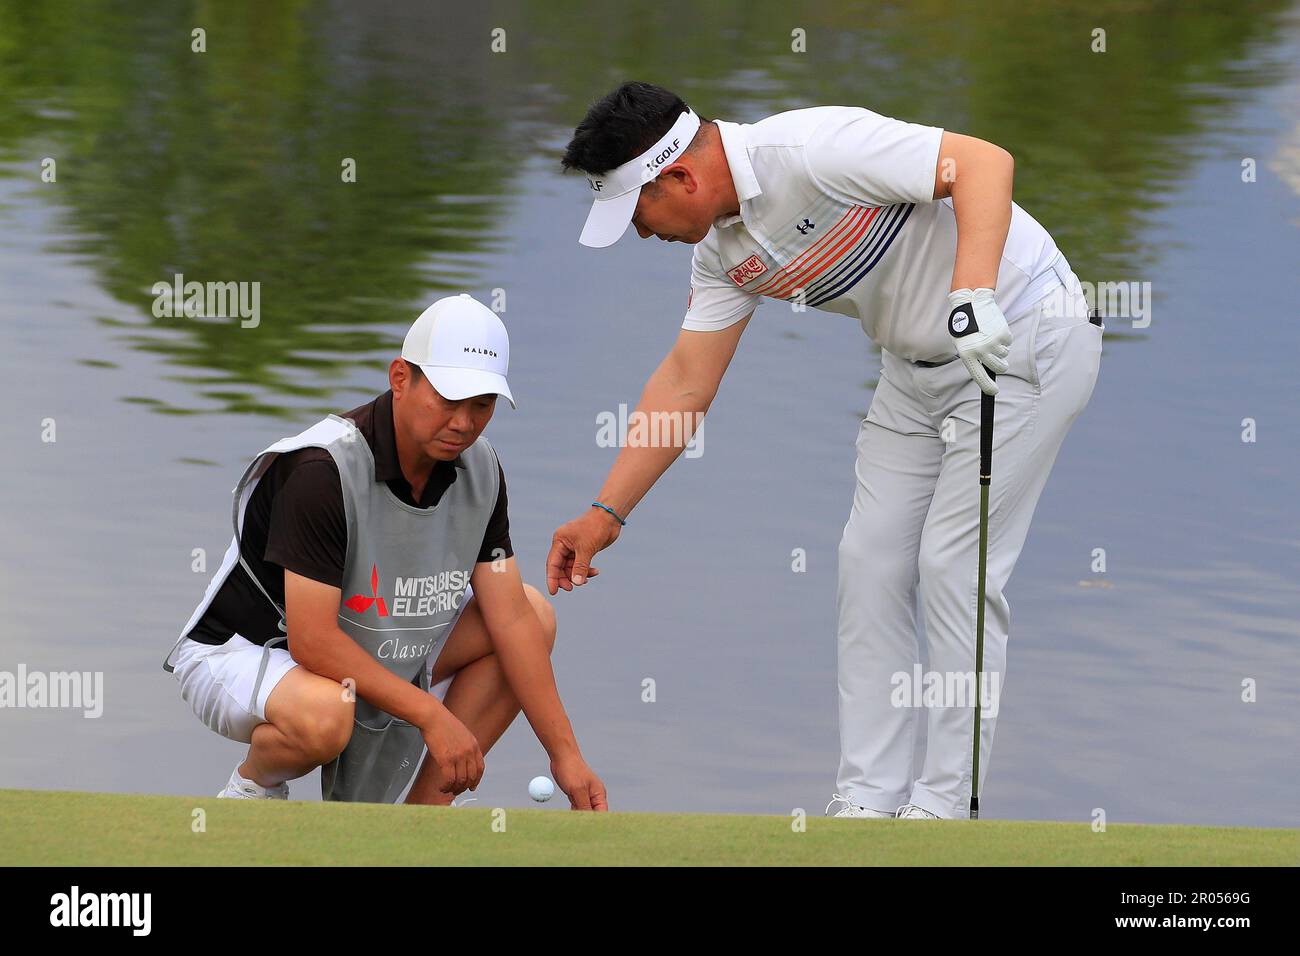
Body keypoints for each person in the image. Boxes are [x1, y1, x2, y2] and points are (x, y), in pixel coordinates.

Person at [549, 81, 1101, 819]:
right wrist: (605, 510)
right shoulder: (721, 253)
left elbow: (982, 163)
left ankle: (943, 809)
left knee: (951, 567)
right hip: (912, 369)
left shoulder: (812, 150)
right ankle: (867, 803)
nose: (642, 234)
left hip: (1023, 333)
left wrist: (974, 293)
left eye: (638, 212)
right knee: (868, 563)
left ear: (679, 176)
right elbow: (684, 383)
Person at [165, 294, 607, 810]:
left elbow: (509, 618)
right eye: (448, 398)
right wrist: (431, 714)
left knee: (534, 613)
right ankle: (254, 787)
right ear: (401, 378)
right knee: (329, 714)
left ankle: (419, 822)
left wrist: (566, 756)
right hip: (247, 650)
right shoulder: (321, 471)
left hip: (370, 644)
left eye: (482, 404)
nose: (464, 423)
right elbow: (313, 643)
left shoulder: (481, 469)